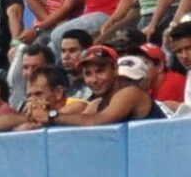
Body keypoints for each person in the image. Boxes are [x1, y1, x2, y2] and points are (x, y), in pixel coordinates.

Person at [29, 42, 166, 122]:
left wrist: (51, 116)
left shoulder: (130, 93)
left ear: (115, 69)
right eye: (88, 73)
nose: (93, 79)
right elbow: (80, 124)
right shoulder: (96, 104)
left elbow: (98, 121)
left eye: (100, 71)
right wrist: (36, 115)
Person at [0, 63, 92, 130]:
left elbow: (27, 128)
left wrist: (32, 119)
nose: (33, 100)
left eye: (38, 94)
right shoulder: (34, 114)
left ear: (58, 93)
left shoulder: (77, 105)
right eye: (29, 95)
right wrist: (29, 118)